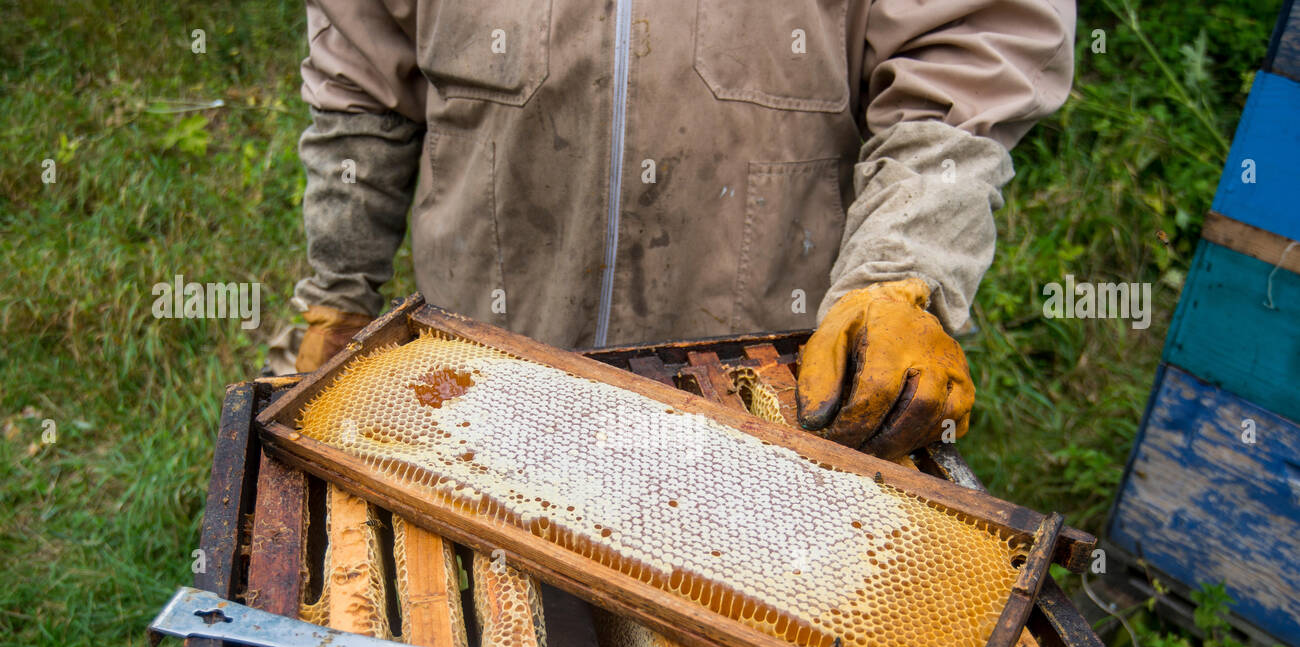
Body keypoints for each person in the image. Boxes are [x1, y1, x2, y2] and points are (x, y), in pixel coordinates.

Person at [290, 1, 1074, 459]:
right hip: (478, 385)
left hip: (760, 402)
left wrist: (901, 271)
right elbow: (364, 77)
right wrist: (339, 294)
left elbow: (963, 63)